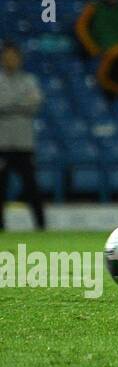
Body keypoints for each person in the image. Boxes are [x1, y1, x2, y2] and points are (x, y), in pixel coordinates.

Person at [0, 41, 44, 230]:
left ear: (20, 59)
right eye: (7, 56)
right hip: (1, 144)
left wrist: (9, 104)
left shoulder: (30, 80)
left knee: (32, 187)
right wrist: (20, 102)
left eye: (14, 56)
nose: (10, 60)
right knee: (0, 188)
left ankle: (41, 226)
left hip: (24, 144)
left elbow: (35, 103)